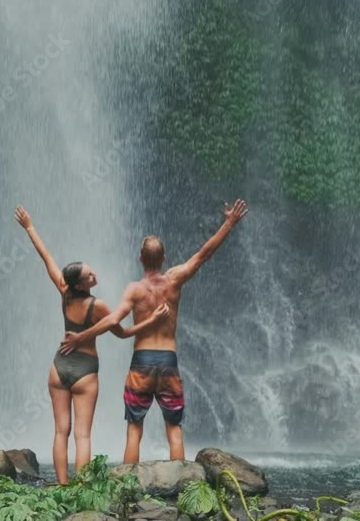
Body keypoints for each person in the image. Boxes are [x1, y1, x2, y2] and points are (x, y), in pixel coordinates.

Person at [59, 199, 249, 463]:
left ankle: (129, 488)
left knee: (135, 429)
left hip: (142, 362)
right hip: (168, 361)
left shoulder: (134, 289)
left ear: (140, 259)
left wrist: (81, 336)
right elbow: (204, 254)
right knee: (174, 428)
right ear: (164, 258)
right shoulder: (175, 279)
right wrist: (229, 223)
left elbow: (113, 319)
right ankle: (182, 487)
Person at [15, 205, 170, 484]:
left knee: (60, 431)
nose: (94, 274)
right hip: (85, 372)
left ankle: (62, 484)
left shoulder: (64, 293)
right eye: (89, 276)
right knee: (82, 434)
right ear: (81, 284)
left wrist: (29, 227)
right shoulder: (98, 307)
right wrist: (151, 321)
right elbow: (122, 333)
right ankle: (79, 487)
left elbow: (46, 257)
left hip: (58, 368)